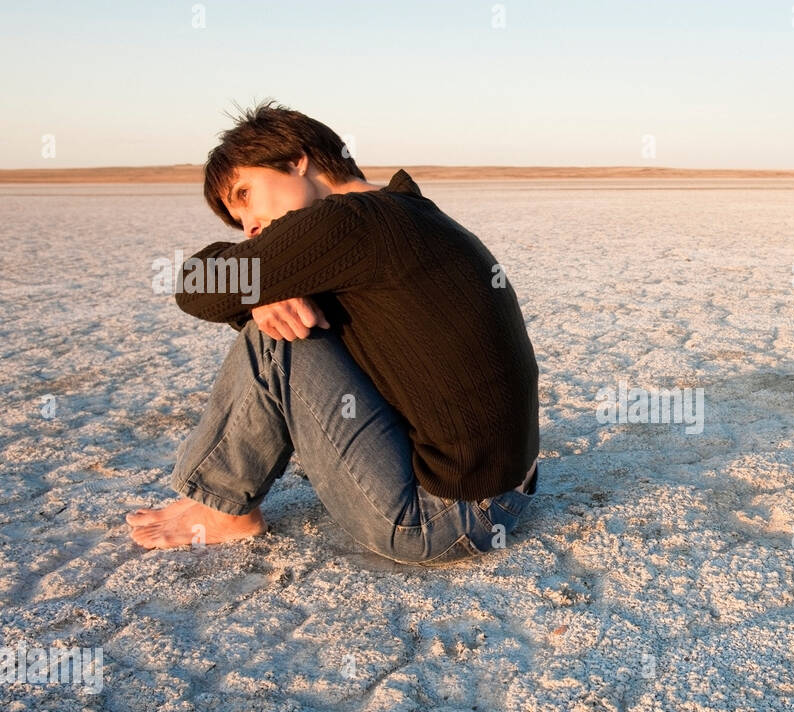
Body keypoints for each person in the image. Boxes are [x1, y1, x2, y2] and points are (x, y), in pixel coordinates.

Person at [125, 100, 540, 565]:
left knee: (276, 342)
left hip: (442, 520)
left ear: (296, 160)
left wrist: (259, 293)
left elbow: (197, 286)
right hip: (505, 493)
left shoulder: (348, 222)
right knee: (290, 318)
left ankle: (221, 508)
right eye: (237, 221)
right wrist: (266, 292)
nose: (250, 227)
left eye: (245, 194)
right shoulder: (401, 210)